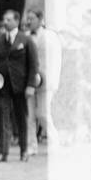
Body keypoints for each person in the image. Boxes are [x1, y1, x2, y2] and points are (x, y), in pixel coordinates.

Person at [0, 8, 40, 161]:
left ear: (17, 21)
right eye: (5, 19)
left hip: (21, 86)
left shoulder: (26, 40)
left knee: (21, 119)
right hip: (2, 86)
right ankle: (2, 152)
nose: (6, 22)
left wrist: (30, 85)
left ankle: (24, 150)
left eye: (9, 19)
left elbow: (33, 64)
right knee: (3, 118)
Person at [25, 9, 62, 151]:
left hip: (46, 81)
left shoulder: (50, 36)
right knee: (29, 115)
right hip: (29, 80)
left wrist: (45, 78)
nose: (29, 21)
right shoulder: (26, 36)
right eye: (27, 18)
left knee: (43, 113)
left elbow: (53, 61)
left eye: (32, 18)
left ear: (40, 19)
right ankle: (31, 146)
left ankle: (54, 142)